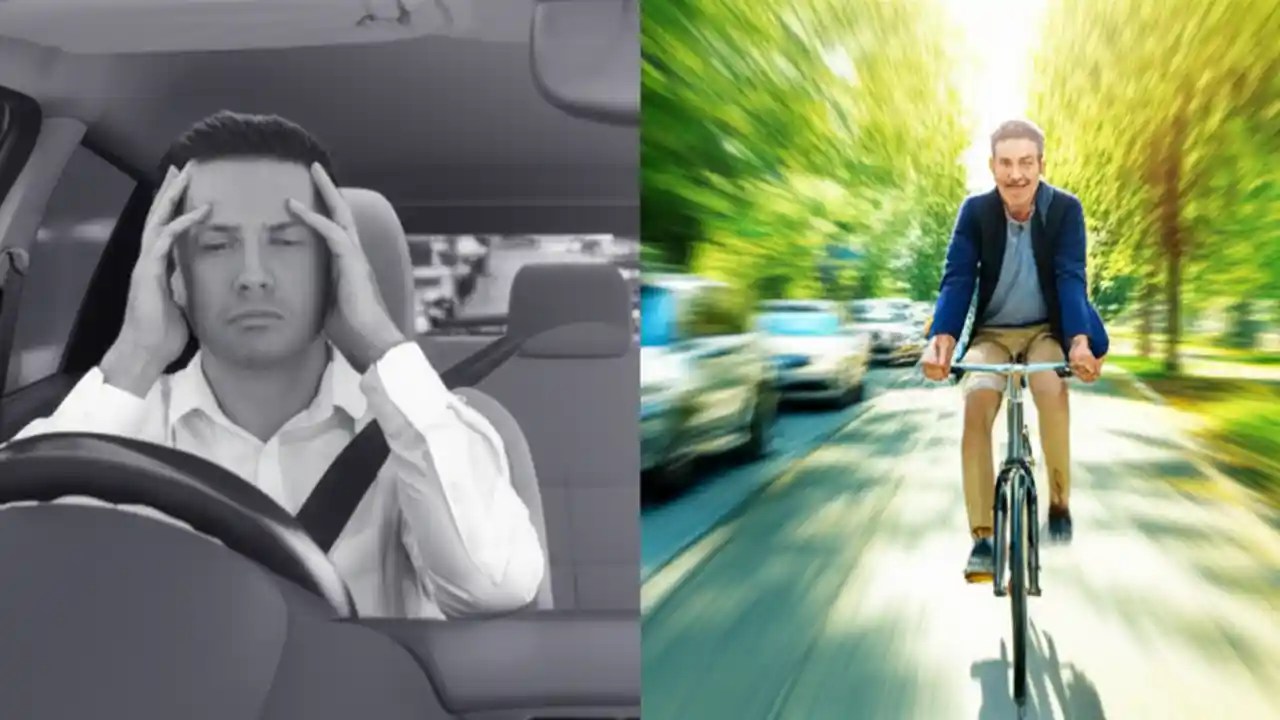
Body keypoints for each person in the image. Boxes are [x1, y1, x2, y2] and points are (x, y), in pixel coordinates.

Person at [12, 110, 545, 618]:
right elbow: (17, 583)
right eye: (217, 244)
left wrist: (382, 343)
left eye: (287, 242)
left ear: (335, 267)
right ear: (174, 274)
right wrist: (134, 357)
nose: (254, 275)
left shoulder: (419, 432)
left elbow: (494, 586)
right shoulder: (117, 428)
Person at [921, 119, 1109, 583]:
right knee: (975, 405)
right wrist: (941, 336)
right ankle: (983, 539)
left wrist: (1079, 342)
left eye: (1026, 162)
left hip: (1046, 329)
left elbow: (1070, 276)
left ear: (1041, 165)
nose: (1017, 174)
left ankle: (1060, 502)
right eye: (1006, 163)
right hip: (991, 335)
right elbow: (958, 278)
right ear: (993, 167)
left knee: (1051, 388)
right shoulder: (975, 212)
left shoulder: (1065, 210)